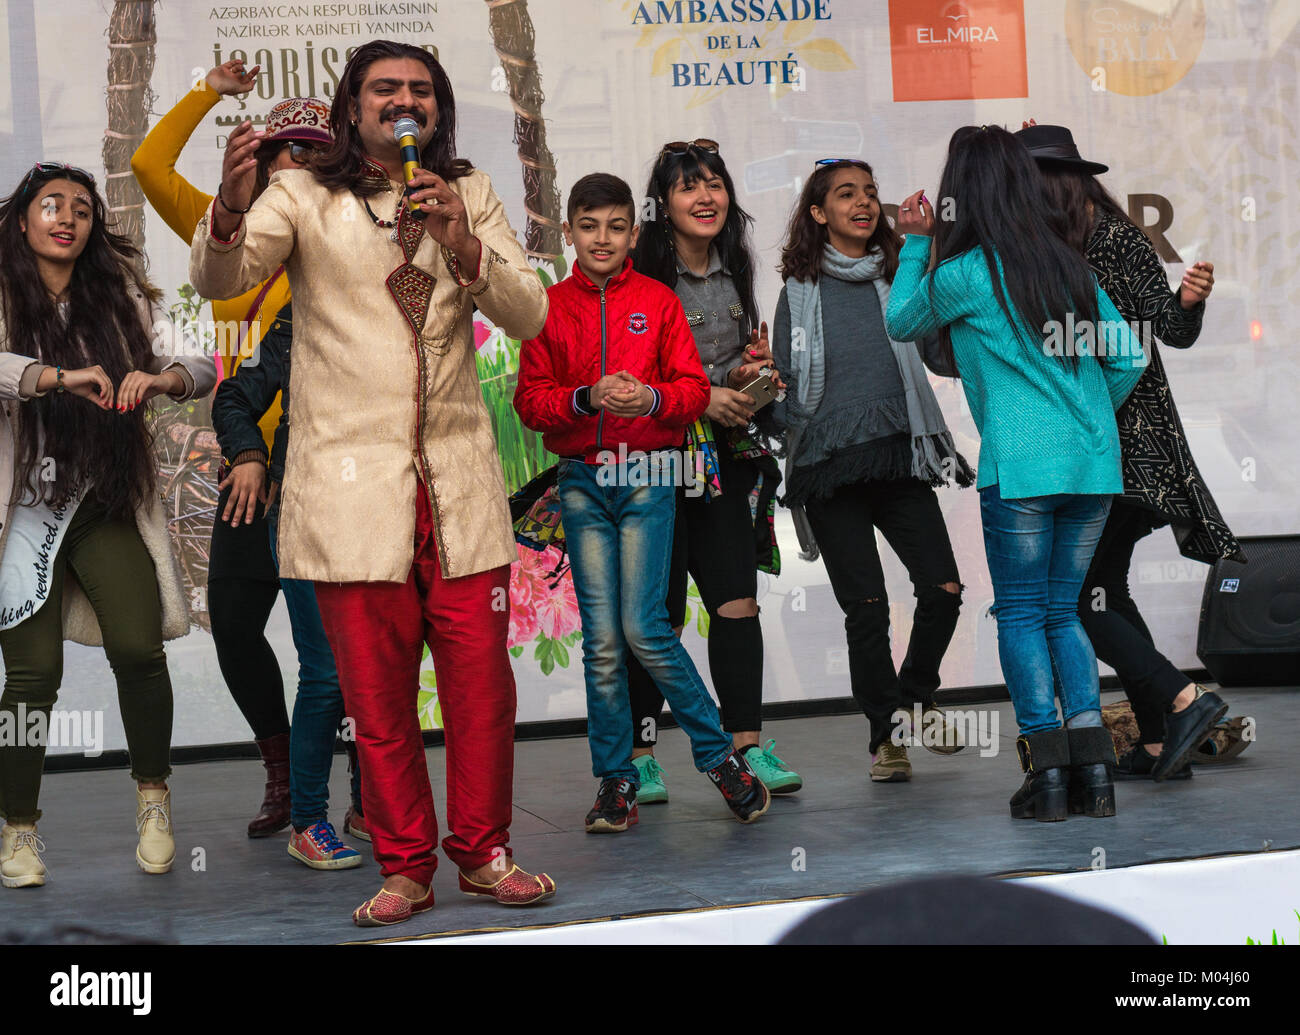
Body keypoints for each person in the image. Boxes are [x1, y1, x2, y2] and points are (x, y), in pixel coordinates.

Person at [190, 39, 555, 926]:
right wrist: (231, 208)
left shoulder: (465, 193)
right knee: (377, 697)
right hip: (352, 493)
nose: (406, 102)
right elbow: (223, 277)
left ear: (439, 109)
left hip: (459, 487)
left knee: (480, 690)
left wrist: (462, 243)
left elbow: (532, 311)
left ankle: (484, 852)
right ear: (353, 105)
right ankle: (403, 868)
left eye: (421, 90)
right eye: (386, 89)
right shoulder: (303, 192)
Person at [131, 62, 366, 840]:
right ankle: (281, 774)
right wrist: (207, 88)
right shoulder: (225, 226)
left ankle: (367, 790)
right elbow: (146, 166)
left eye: (311, 152)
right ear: (262, 163)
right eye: (283, 152)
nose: (295, 164)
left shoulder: (343, 237)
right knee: (234, 623)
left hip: (324, 463)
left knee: (348, 638)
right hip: (244, 465)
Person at [884, 125, 1147, 822]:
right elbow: (1129, 359)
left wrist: (914, 239)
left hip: (1022, 471)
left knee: (1023, 613)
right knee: (1064, 612)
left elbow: (901, 319)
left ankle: (1048, 774)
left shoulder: (966, 272)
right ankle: (1095, 772)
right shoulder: (1068, 265)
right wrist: (1086, 420)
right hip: (1092, 468)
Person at [514, 172, 771, 832]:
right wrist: (586, 398)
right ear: (569, 233)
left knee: (645, 628)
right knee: (600, 642)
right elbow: (530, 403)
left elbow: (690, 392)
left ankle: (720, 760)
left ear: (634, 232)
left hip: (651, 474)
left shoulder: (657, 301)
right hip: (582, 482)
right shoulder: (546, 308)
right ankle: (616, 780)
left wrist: (650, 399)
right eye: (589, 226)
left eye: (616, 226)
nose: (603, 239)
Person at [0, 163, 216, 886]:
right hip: (22, 515)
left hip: (102, 502)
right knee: (32, 678)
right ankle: (19, 829)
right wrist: (57, 377)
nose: (67, 218)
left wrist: (159, 379)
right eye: (51, 205)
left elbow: (199, 365)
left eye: (82, 210)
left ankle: (153, 797)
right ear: (23, 218)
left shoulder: (116, 298)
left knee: (139, 647)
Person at [1016, 123, 1236, 783]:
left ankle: (1186, 698)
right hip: (1095, 443)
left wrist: (1188, 303)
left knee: (1082, 596)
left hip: (1126, 449)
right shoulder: (1051, 246)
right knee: (1104, 589)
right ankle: (1161, 734)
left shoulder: (1110, 238)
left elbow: (1167, 330)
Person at [768, 158, 972, 783]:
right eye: (845, 193)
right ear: (817, 212)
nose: (862, 202)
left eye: (870, 193)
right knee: (868, 609)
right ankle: (887, 736)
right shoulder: (797, 292)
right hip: (827, 469)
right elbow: (780, 394)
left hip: (899, 457)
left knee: (943, 591)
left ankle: (912, 703)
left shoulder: (901, 274)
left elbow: (940, 354)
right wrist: (757, 391)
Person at [624, 138, 801, 802]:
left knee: (737, 603)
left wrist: (749, 379)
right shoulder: (643, 276)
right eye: (688, 186)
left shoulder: (735, 269)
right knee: (657, 616)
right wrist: (705, 391)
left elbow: (726, 372)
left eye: (715, 184)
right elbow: (638, 375)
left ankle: (747, 747)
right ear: (662, 204)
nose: (705, 197)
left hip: (724, 463)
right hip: (654, 460)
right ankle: (640, 758)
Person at [212, 301, 366, 869]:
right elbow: (233, 395)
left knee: (378, 660)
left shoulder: (411, 298)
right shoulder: (300, 313)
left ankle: (372, 804)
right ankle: (308, 820)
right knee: (324, 670)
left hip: (383, 505)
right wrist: (249, 453)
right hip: (305, 507)